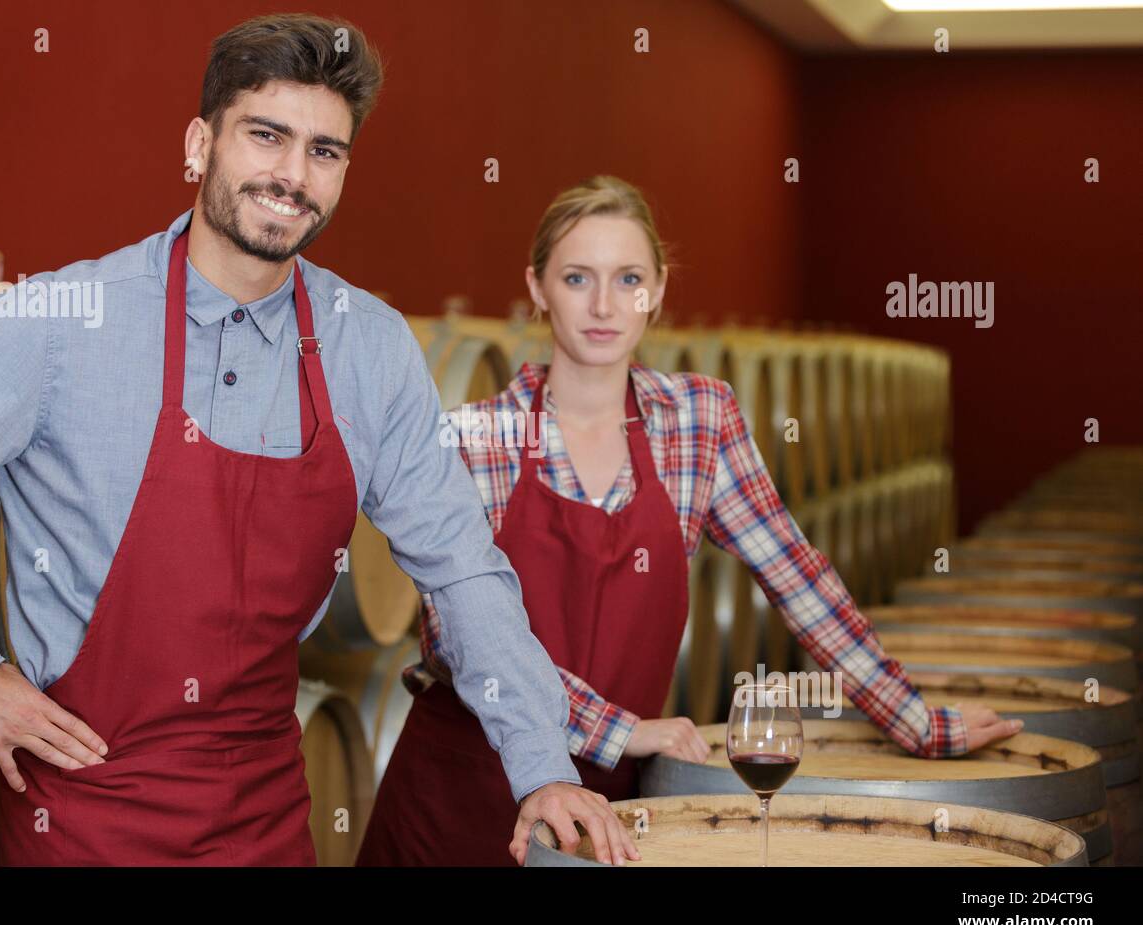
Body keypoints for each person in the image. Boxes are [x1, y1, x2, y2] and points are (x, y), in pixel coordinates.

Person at [0, 15, 639, 867]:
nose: (293, 175)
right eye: (267, 136)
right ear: (200, 143)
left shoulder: (367, 346)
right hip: (83, 812)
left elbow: (461, 567)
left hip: (261, 820)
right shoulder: (69, 320)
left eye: (325, 151)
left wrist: (542, 767)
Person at [354, 174, 1024, 866]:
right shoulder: (479, 435)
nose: (605, 304)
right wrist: (621, 730)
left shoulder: (700, 422)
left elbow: (800, 579)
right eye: (578, 277)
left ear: (660, 290)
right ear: (537, 288)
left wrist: (912, 720)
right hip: (459, 793)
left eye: (630, 278)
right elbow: (460, 637)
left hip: (609, 807)